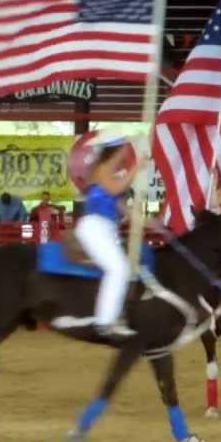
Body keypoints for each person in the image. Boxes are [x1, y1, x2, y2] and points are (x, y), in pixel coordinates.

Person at [75, 137, 140, 336]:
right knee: (118, 269)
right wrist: (136, 169)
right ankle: (104, 322)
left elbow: (120, 205)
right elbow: (115, 189)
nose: (124, 156)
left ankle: (116, 315)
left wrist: (142, 220)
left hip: (107, 229)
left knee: (126, 269)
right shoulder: (101, 169)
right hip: (94, 226)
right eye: (123, 151)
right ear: (115, 151)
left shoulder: (110, 174)